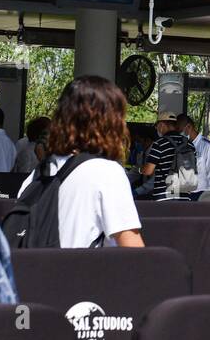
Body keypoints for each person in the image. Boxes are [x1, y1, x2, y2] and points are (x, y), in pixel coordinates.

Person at [16, 77, 142, 248]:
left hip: (33, 272)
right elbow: (134, 251)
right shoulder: (107, 172)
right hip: (83, 273)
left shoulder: (37, 175)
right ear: (111, 123)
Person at [139, 111, 193, 201]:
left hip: (164, 196)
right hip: (185, 197)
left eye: (157, 126)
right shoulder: (189, 144)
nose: (157, 129)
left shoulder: (159, 144)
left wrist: (140, 170)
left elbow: (148, 171)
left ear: (162, 125)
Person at [177, 112, 210, 192]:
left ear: (189, 127)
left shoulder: (207, 147)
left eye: (180, 131)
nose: (179, 135)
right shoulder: (181, 146)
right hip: (184, 195)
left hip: (200, 195)